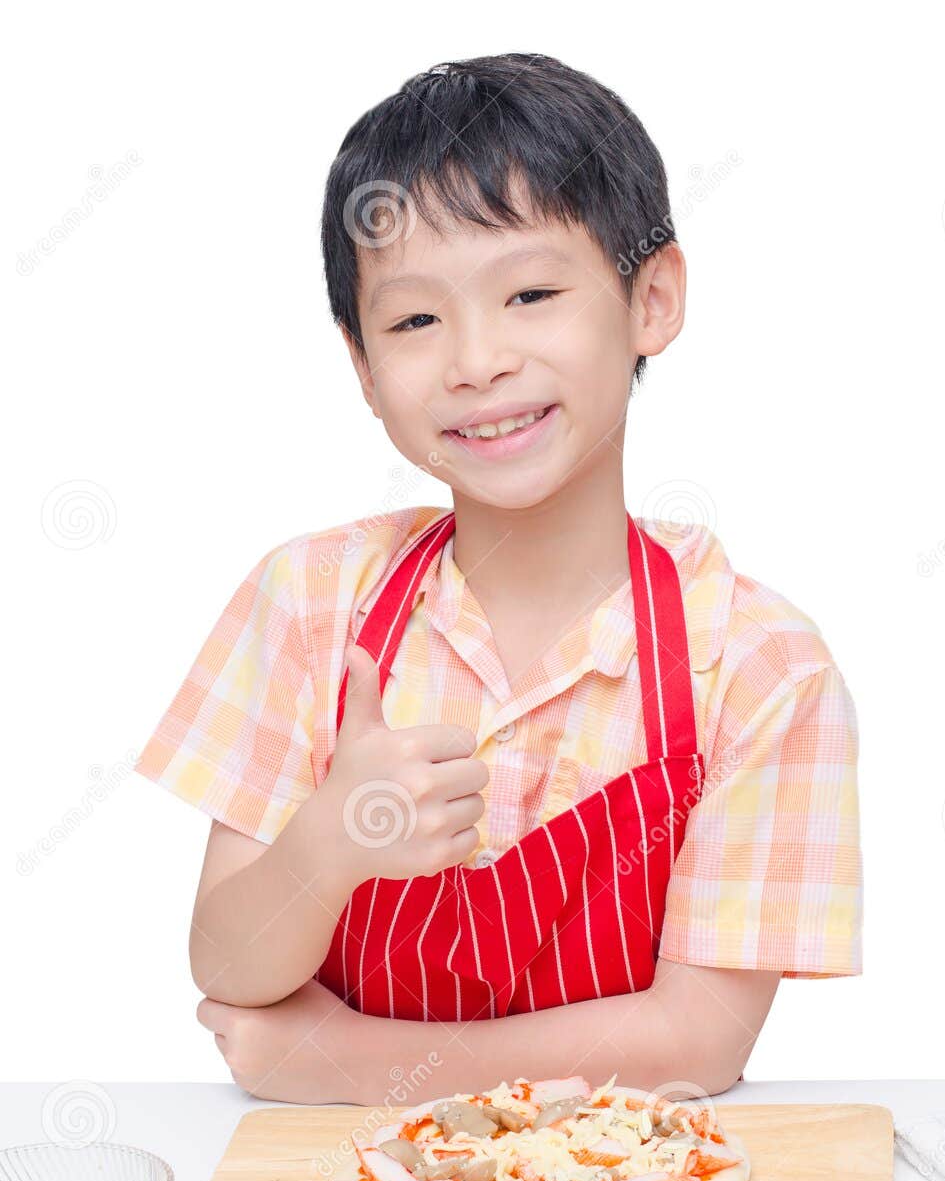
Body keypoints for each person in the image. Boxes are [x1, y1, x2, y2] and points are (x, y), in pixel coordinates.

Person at [133, 53, 862, 1106]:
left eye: (529, 293)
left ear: (650, 299)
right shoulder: (308, 603)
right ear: (363, 367)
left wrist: (354, 1061)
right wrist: (329, 842)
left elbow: (698, 1040)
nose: (476, 360)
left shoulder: (755, 666)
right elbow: (229, 965)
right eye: (416, 320)